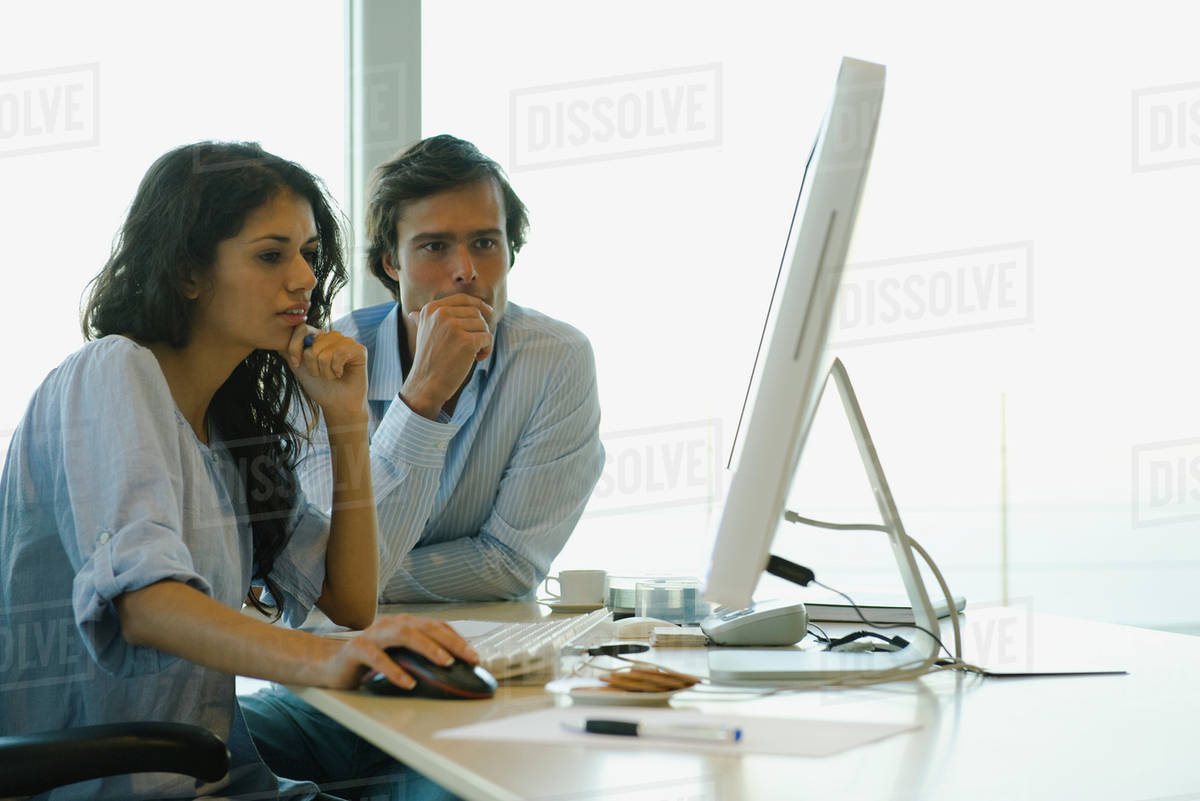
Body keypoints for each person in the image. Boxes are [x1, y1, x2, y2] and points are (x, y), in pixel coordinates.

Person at [0, 141, 474, 801]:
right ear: (188, 271)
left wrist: (345, 421)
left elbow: (351, 600)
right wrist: (327, 660)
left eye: (308, 254)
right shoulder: (112, 371)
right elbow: (144, 605)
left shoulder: (228, 431)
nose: (305, 278)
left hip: (227, 784)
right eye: (270, 254)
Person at [290, 134, 605, 603]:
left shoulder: (556, 359)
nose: (465, 271)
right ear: (391, 263)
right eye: (435, 246)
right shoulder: (322, 360)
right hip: (338, 641)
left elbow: (513, 564)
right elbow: (321, 544)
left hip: (492, 643)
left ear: (510, 251)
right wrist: (421, 397)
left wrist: (346, 579)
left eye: (485, 242)